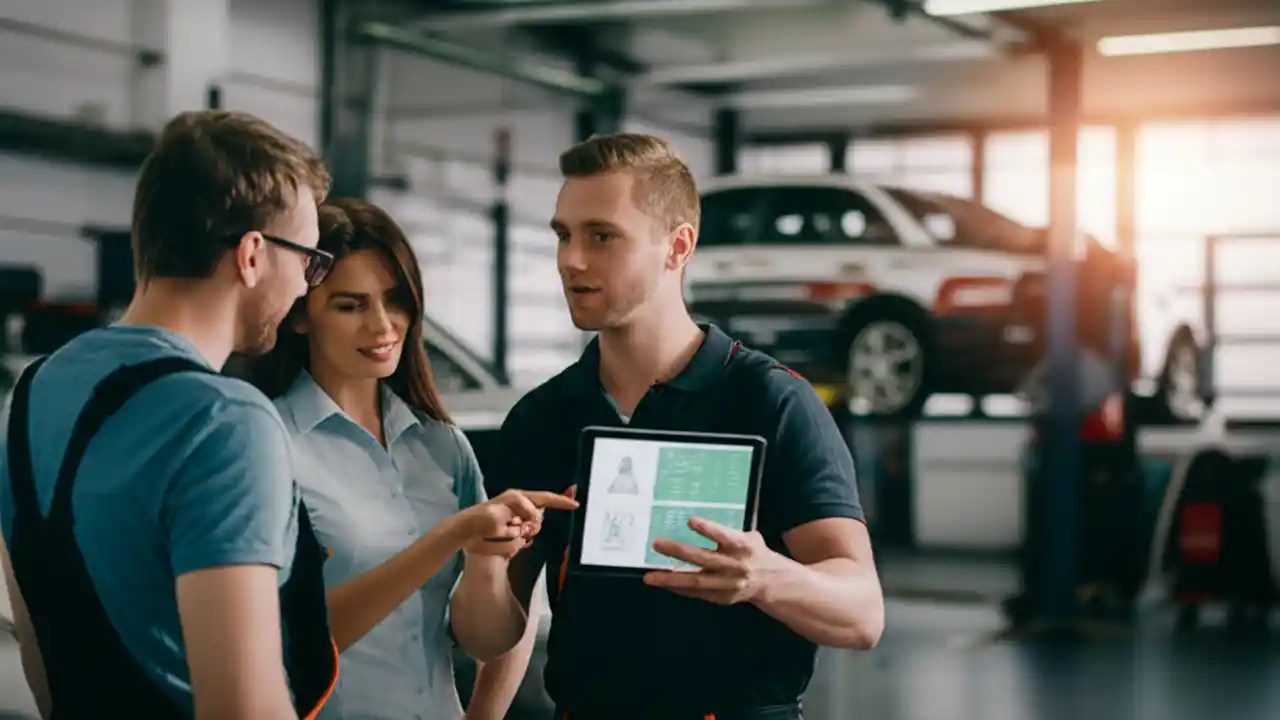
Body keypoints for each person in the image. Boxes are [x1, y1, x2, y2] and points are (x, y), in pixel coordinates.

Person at [487, 133, 886, 719]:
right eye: (564, 235)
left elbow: (863, 614)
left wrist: (765, 576)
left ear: (678, 246)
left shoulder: (773, 402)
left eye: (602, 236)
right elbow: (505, 621)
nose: (571, 260)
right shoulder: (544, 417)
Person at [0, 110, 338, 718]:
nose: (306, 287)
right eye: (309, 261)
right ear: (253, 254)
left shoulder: (31, 394)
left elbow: (42, 660)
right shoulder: (225, 422)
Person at [246, 197, 574, 720]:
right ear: (301, 316)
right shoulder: (267, 444)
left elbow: (486, 642)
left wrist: (487, 561)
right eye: (351, 305)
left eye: (395, 300)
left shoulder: (442, 447)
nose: (383, 326)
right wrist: (449, 535)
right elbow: (288, 639)